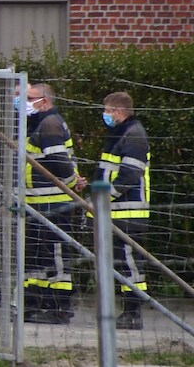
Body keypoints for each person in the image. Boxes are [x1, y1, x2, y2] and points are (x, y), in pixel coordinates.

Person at [20, 83, 81, 325]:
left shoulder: (50, 124)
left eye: (29, 98)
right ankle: (37, 302)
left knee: (55, 256)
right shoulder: (39, 123)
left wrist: (72, 182)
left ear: (44, 101)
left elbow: (59, 161)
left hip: (54, 202)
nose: (25, 102)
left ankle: (60, 306)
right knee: (39, 258)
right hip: (38, 201)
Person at [95, 91, 151, 330]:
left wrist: (105, 196)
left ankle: (133, 312)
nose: (105, 115)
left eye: (107, 110)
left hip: (128, 211)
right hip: (116, 211)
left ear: (118, 111)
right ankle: (126, 311)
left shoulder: (133, 135)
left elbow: (129, 175)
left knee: (130, 264)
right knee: (121, 263)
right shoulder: (120, 133)